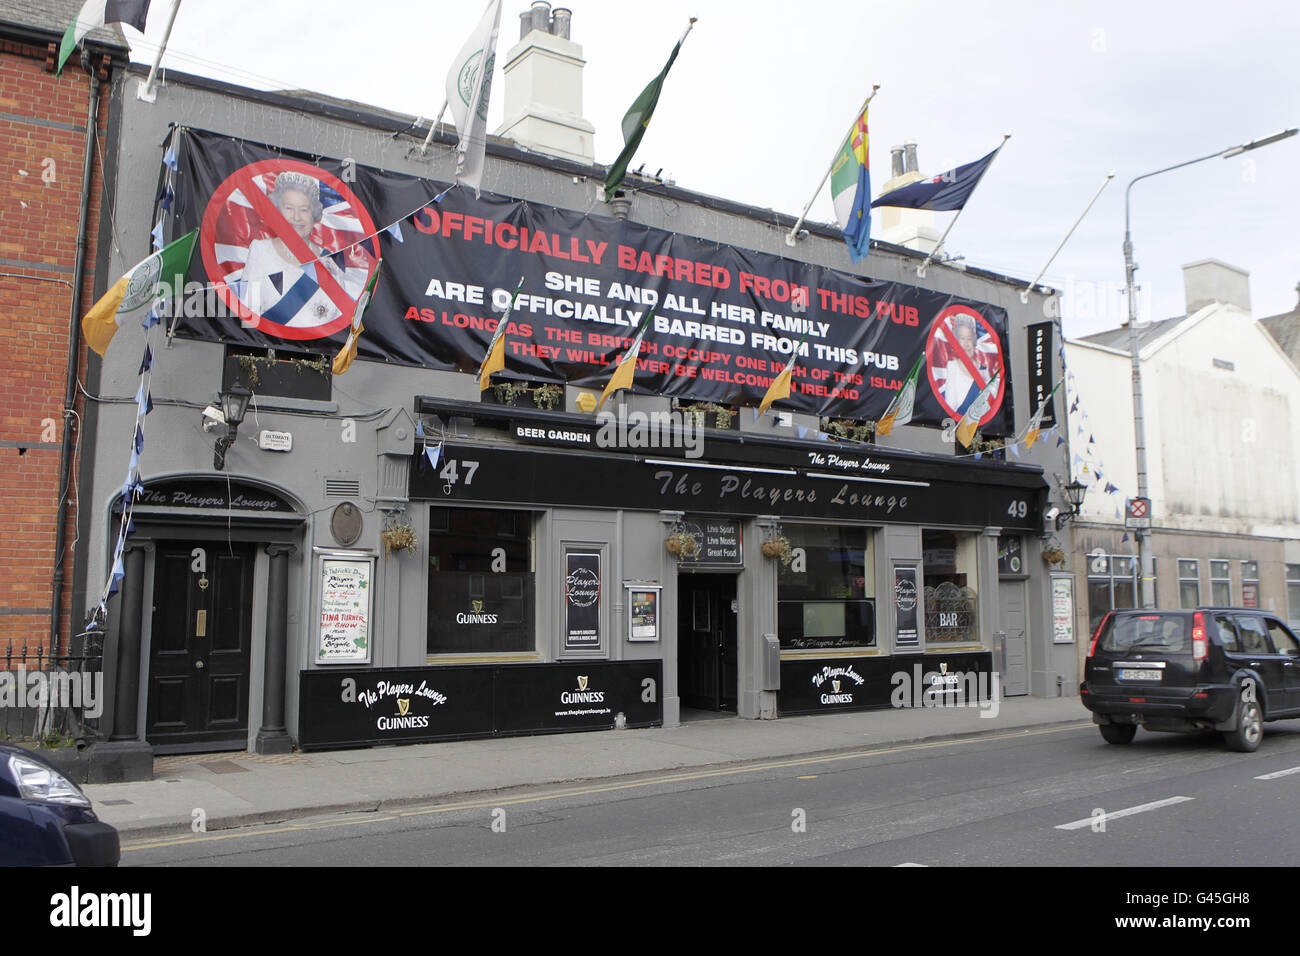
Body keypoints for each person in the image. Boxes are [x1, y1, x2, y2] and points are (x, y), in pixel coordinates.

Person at [231, 171, 358, 329]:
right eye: (289, 208)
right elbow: (248, 313)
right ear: (277, 211)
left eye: (304, 209)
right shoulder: (260, 250)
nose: (296, 217)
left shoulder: (329, 260)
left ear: (314, 215)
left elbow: (340, 318)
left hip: (318, 349)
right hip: (269, 346)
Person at [941, 313, 997, 416]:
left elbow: (990, 404)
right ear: (955, 341)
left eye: (969, 339)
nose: (966, 344)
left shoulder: (984, 370)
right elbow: (951, 406)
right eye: (962, 339)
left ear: (974, 341)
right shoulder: (952, 367)